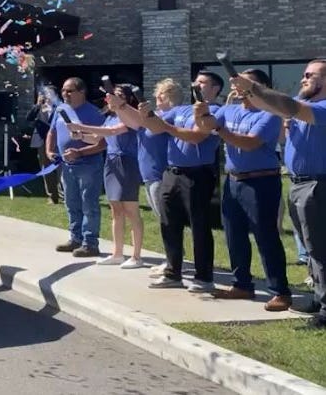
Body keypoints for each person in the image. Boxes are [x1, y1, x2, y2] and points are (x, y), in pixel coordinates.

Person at [230, 59, 326, 329]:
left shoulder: (321, 107)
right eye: (304, 74)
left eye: (311, 75)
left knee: (320, 249)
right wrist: (248, 92)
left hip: (318, 185)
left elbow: (290, 107)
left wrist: (254, 89)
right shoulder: (301, 103)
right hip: (298, 183)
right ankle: (319, 299)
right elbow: (275, 106)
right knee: (310, 247)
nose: (304, 78)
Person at [194, 68, 291, 311]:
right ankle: (242, 284)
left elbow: (249, 143)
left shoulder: (269, 115)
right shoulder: (230, 109)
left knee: (265, 236)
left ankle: (280, 291)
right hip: (234, 180)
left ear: (259, 88)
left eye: (244, 82)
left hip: (261, 182)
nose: (237, 86)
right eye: (236, 82)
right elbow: (207, 128)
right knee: (233, 234)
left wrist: (218, 128)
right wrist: (202, 115)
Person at [112, 83, 221, 293]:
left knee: (199, 227)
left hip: (198, 173)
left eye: (204, 84)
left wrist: (166, 127)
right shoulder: (178, 112)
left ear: (215, 90)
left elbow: (198, 135)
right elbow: (154, 128)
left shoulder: (213, 111)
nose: (197, 87)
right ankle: (173, 273)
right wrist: (145, 114)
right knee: (168, 224)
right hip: (172, 172)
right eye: (196, 84)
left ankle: (204, 278)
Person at [66, 84, 145, 269]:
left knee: (131, 210)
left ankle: (136, 256)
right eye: (109, 96)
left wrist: (80, 126)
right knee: (116, 209)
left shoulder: (130, 116)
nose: (109, 99)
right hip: (110, 162)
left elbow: (112, 132)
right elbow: (97, 138)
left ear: (126, 99)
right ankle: (117, 253)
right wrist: (80, 135)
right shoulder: (109, 117)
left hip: (127, 162)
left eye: (116, 96)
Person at [45, 77, 107, 258]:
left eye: (69, 90)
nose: (65, 94)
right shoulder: (61, 109)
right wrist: (50, 151)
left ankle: (90, 243)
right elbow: (52, 131)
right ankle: (75, 238)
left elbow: (103, 143)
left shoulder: (94, 113)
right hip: (66, 166)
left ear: (82, 92)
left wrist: (80, 153)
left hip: (88, 165)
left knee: (89, 205)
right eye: (63, 90)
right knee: (71, 203)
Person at [137, 79, 180, 278]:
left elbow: (156, 127)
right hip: (148, 175)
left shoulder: (169, 116)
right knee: (161, 219)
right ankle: (170, 259)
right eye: (157, 94)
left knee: (167, 221)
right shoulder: (154, 116)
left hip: (159, 174)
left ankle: (172, 261)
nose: (157, 98)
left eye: (162, 94)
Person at [27, 86, 61, 204]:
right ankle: (52, 196)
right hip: (41, 141)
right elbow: (29, 118)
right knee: (46, 169)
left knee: (60, 168)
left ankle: (65, 194)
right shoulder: (39, 108)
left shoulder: (60, 107)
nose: (46, 96)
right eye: (44, 93)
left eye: (49, 93)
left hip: (57, 141)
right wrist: (37, 105)